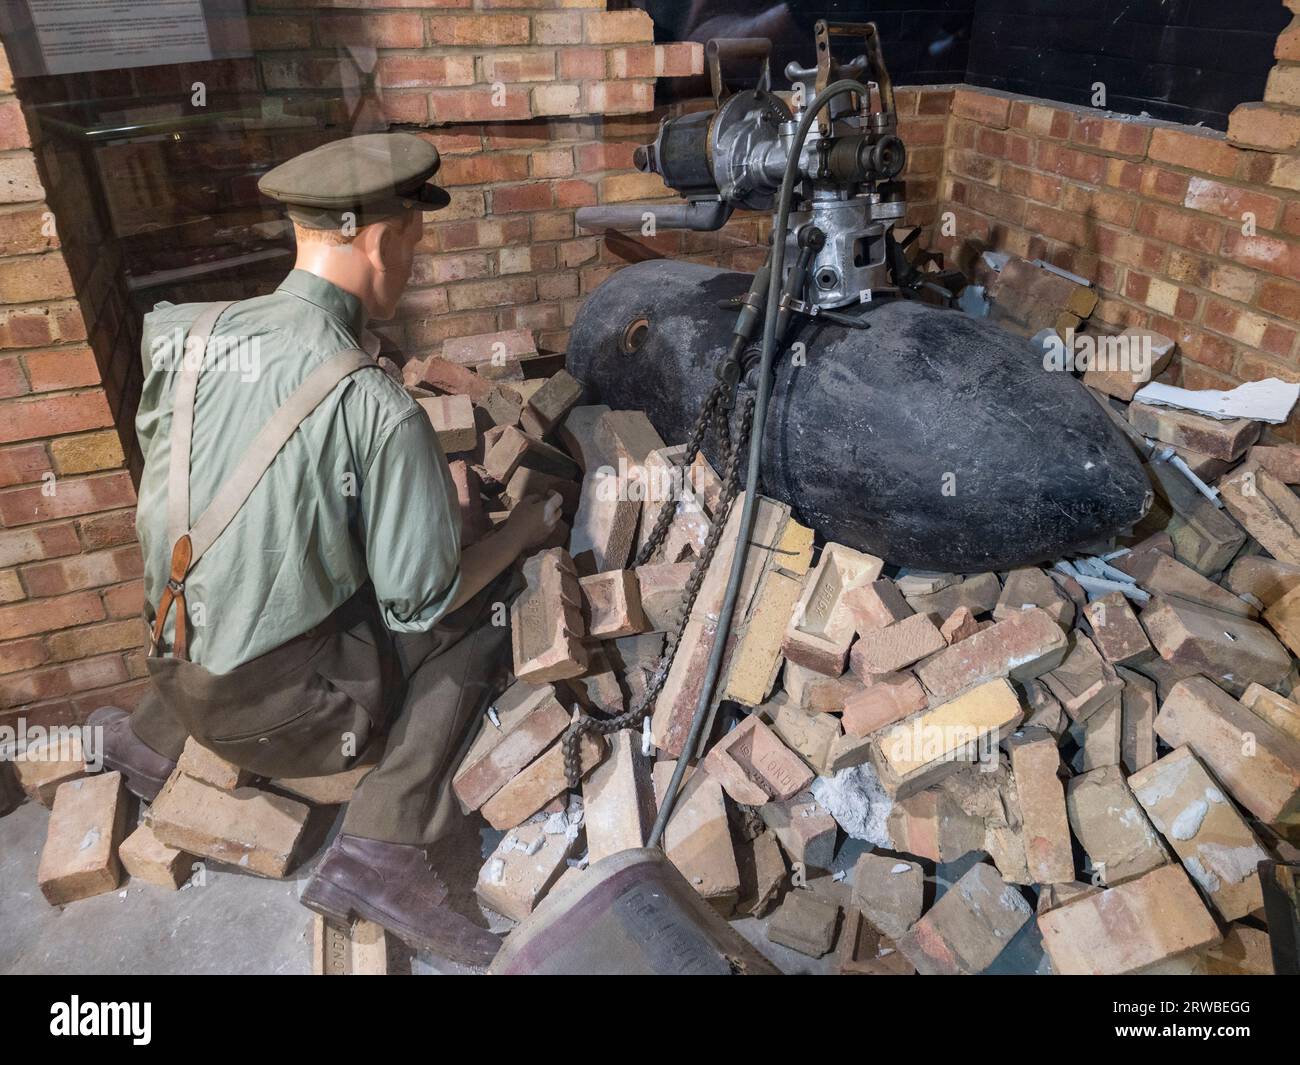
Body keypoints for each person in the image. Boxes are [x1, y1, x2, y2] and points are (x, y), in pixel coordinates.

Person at [89, 133, 558, 966]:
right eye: (412, 243)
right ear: (379, 242)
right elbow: (426, 603)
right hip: (281, 719)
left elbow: (199, 505)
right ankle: (386, 845)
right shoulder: (376, 406)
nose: (411, 263)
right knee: (482, 614)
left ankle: (146, 736)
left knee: (238, 566)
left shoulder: (189, 338)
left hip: (170, 659)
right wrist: (521, 530)